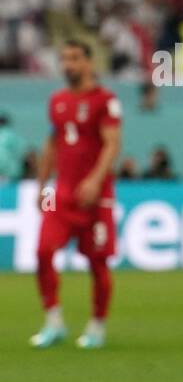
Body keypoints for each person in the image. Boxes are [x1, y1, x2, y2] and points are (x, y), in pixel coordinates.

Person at [30, 40, 121, 351]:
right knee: (42, 251)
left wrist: (96, 180)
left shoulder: (105, 100)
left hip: (96, 196)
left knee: (98, 263)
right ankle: (53, 321)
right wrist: (41, 185)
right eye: (64, 59)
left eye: (74, 58)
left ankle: (97, 325)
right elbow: (53, 144)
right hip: (61, 194)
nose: (68, 65)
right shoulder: (57, 100)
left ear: (89, 63)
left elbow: (112, 143)